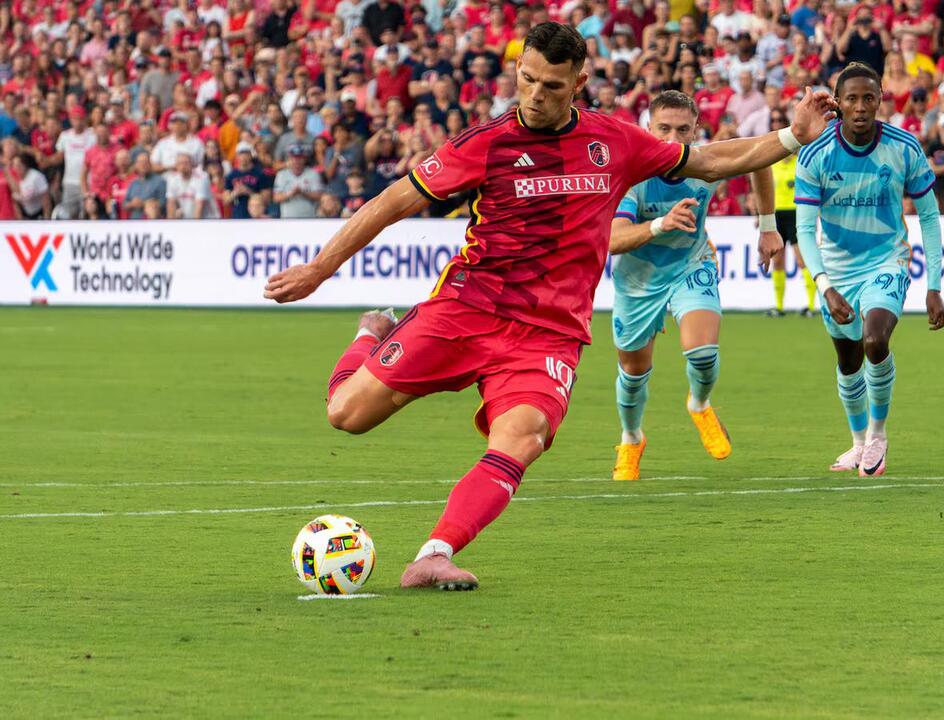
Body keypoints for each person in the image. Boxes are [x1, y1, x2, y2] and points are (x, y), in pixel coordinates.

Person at [263, 23, 835, 590]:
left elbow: (710, 161)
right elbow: (393, 201)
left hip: (548, 334)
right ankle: (371, 334)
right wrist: (319, 268)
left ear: (579, 83)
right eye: (527, 79)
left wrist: (792, 136)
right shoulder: (485, 143)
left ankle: (434, 554)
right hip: (468, 307)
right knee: (347, 415)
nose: (535, 96)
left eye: (552, 86)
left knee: (525, 435)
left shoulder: (615, 142)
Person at [608, 91, 783, 480]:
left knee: (702, 352)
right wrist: (660, 224)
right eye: (663, 129)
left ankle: (700, 404)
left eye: (682, 130)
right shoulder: (632, 175)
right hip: (638, 277)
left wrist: (768, 226)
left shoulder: (706, 162)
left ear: (695, 130)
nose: (673, 139)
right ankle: (631, 438)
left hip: (691, 264)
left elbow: (760, 157)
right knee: (633, 373)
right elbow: (612, 239)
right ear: (647, 129)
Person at [795, 62, 944, 477]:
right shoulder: (815, 153)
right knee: (848, 361)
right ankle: (858, 442)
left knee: (874, 340)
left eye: (868, 98)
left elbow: (929, 216)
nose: (860, 106)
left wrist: (934, 286)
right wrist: (825, 286)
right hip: (837, 271)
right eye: (852, 99)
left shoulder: (904, 147)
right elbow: (805, 229)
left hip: (887, 261)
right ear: (838, 103)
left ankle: (878, 436)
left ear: (881, 100)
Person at [766, 109, 817, 319]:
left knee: (802, 260)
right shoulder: (771, 164)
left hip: (796, 214)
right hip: (776, 215)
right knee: (778, 261)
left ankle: (811, 306)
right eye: (773, 120)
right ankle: (779, 306)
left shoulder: (800, 163)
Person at [272, 144, 324, 218]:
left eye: (300, 158)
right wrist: (291, 193)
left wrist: (302, 192)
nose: (296, 161)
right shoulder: (281, 174)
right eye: (294, 158)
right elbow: (276, 198)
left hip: (309, 217)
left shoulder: (313, 173)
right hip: (287, 217)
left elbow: (319, 196)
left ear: (305, 159)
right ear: (289, 159)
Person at [166, 153, 218, 219]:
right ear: (176, 165)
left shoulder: (202, 178)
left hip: (208, 219)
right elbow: (170, 204)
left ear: (192, 164)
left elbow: (199, 208)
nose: (183, 166)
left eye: (186, 163)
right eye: (180, 163)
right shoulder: (172, 179)